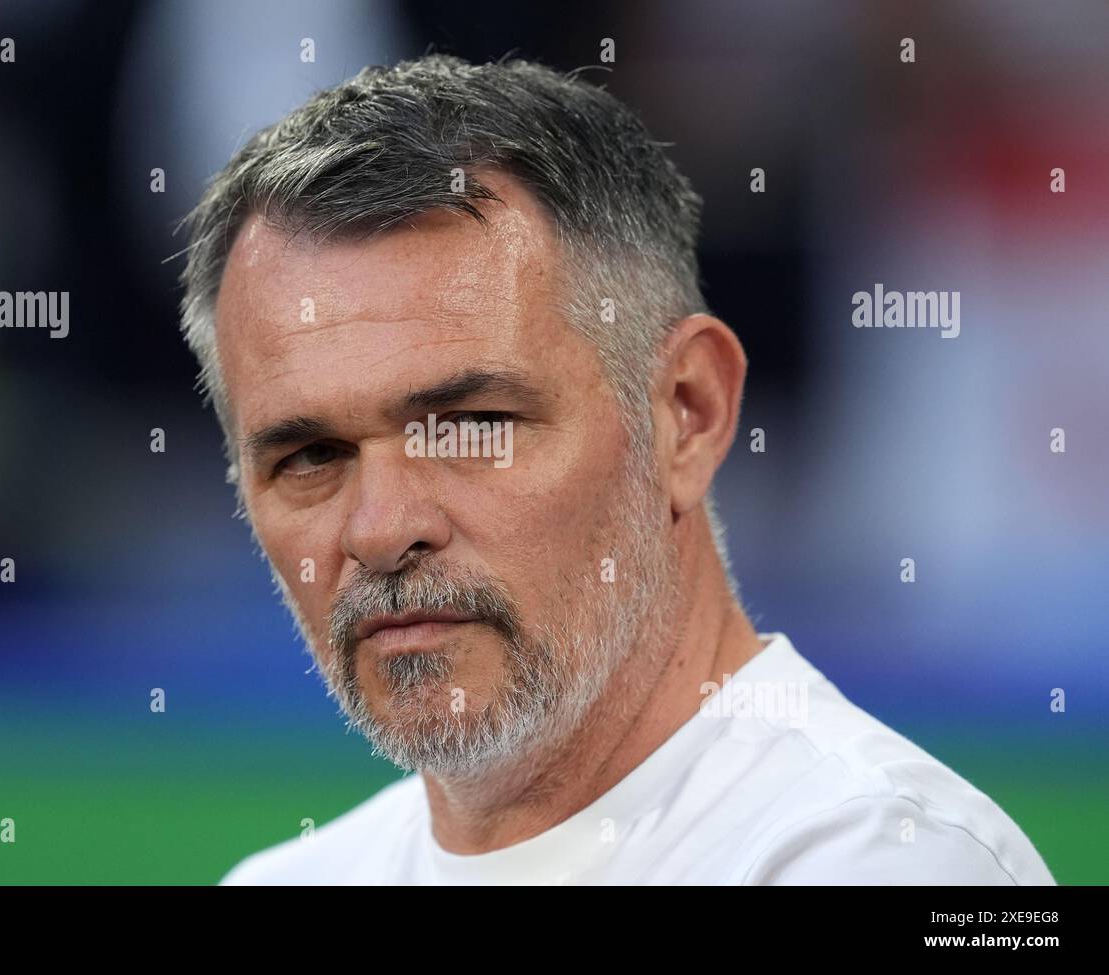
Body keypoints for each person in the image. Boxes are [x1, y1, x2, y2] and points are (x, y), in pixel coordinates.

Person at [176, 54, 1054, 885]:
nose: (379, 528)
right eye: (312, 455)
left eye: (473, 427)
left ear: (688, 412)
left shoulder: (895, 862)